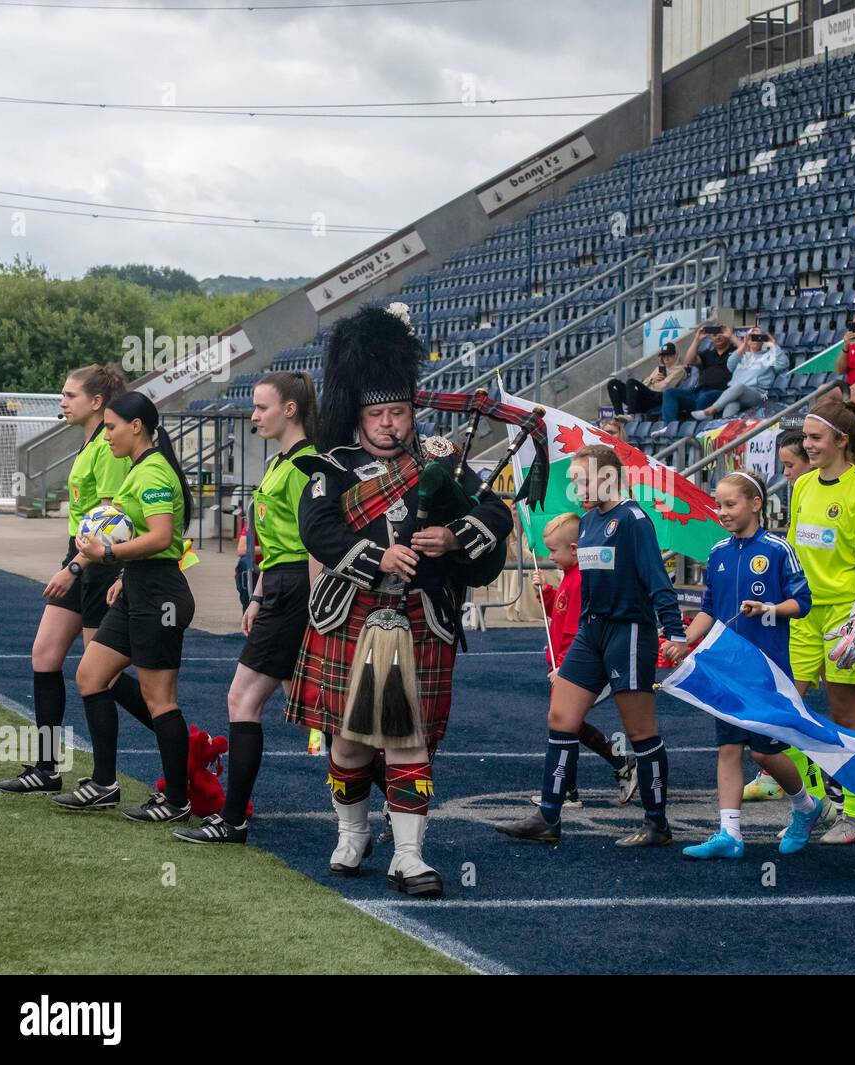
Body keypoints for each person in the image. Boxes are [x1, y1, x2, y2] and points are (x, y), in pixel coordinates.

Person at [284, 306, 515, 898]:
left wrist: (454, 536)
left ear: (413, 413)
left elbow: (492, 512)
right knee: (351, 739)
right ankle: (352, 833)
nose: (390, 424)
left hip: (418, 618)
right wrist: (378, 557)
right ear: (358, 416)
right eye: (379, 414)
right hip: (352, 613)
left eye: (399, 412)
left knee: (410, 737)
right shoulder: (329, 468)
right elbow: (318, 530)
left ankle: (410, 856)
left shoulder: (440, 466)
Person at [498, 444, 687, 847]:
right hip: (591, 631)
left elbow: (658, 582)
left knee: (640, 730)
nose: (576, 487)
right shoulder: (587, 523)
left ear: (607, 477)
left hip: (629, 631)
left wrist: (675, 633)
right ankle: (549, 817)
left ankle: (658, 824)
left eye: (581, 479)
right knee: (561, 718)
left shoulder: (634, 520)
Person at [0, 364, 158, 795]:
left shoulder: (107, 448)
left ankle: (168, 739)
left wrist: (75, 568)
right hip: (80, 554)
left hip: (97, 562)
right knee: (45, 655)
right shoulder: (90, 442)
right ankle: (47, 767)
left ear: (96, 401)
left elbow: (111, 523)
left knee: (96, 673)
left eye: (70, 395)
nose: (63, 402)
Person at [174, 372, 320, 845]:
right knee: (315, 709)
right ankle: (234, 818)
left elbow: (315, 540)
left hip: (295, 587)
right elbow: (273, 543)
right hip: (278, 586)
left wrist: (316, 602)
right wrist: (257, 594)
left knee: (249, 699)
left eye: (262, 407)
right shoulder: (284, 461)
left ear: (290, 410)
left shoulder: (305, 465)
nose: (254, 415)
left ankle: (233, 819)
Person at [53, 391, 197, 823]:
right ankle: (103, 784)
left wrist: (109, 556)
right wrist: (121, 576)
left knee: (159, 699)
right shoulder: (139, 469)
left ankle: (176, 801)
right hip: (137, 586)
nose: (108, 435)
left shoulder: (152, 471)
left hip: (160, 595)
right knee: (91, 676)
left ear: (137, 426)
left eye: (112, 426)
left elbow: (160, 537)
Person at [669, 471, 829, 859]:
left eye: (730, 504)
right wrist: (684, 641)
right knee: (728, 748)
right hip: (726, 670)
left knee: (764, 753)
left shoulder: (776, 549)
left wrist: (768, 609)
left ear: (755, 504)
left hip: (765, 669)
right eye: (718, 505)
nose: (722, 512)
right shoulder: (719, 552)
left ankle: (807, 807)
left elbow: (802, 602)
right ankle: (730, 834)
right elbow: (710, 610)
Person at [787, 399, 855, 845]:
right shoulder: (803, 485)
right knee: (785, 709)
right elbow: (791, 549)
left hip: (844, 617)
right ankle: (813, 804)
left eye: (815, 437)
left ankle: (854, 814)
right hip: (803, 615)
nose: (807, 445)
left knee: (845, 716)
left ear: (842, 440)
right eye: (805, 437)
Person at [529, 511, 638, 807]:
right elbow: (561, 612)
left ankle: (570, 788)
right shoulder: (570, 578)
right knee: (567, 723)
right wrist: (547, 593)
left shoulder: (579, 581)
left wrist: (564, 666)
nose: (549, 556)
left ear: (574, 549)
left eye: (553, 550)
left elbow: (579, 628)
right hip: (563, 662)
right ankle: (606, 771)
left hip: (570, 663)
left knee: (564, 723)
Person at [744, 427, 823, 805]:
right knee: (787, 705)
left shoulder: (836, 493)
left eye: (790, 465)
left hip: (824, 613)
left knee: (792, 708)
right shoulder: (802, 495)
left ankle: (829, 793)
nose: (786, 473)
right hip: (799, 617)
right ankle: (777, 771)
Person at [690, 329, 788, 420]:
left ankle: (711, 410)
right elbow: (730, 364)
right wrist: (744, 344)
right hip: (735, 393)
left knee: (739, 387)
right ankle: (725, 429)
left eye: (758, 337)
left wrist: (773, 344)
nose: (754, 339)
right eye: (751, 337)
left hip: (758, 394)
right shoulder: (743, 356)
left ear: (763, 340)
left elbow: (784, 364)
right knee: (732, 403)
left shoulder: (768, 356)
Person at [661, 324, 736, 423]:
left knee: (704, 398)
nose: (717, 337)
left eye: (720, 333)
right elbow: (688, 361)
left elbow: (748, 352)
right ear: (710, 338)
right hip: (699, 392)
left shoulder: (735, 351)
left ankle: (695, 430)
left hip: (721, 393)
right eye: (713, 335)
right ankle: (670, 427)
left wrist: (731, 336)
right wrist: (697, 339)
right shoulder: (708, 353)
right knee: (670, 393)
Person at [606, 342, 686, 418]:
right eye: (664, 355)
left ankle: (631, 414)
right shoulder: (658, 369)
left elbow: (664, 387)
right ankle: (619, 416)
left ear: (675, 355)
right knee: (613, 383)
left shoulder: (679, 370)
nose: (666, 358)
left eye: (669, 355)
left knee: (631, 382)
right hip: (647, 397)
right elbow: (644, 383)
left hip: (659, 398)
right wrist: (652, 380)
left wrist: (652, 383)